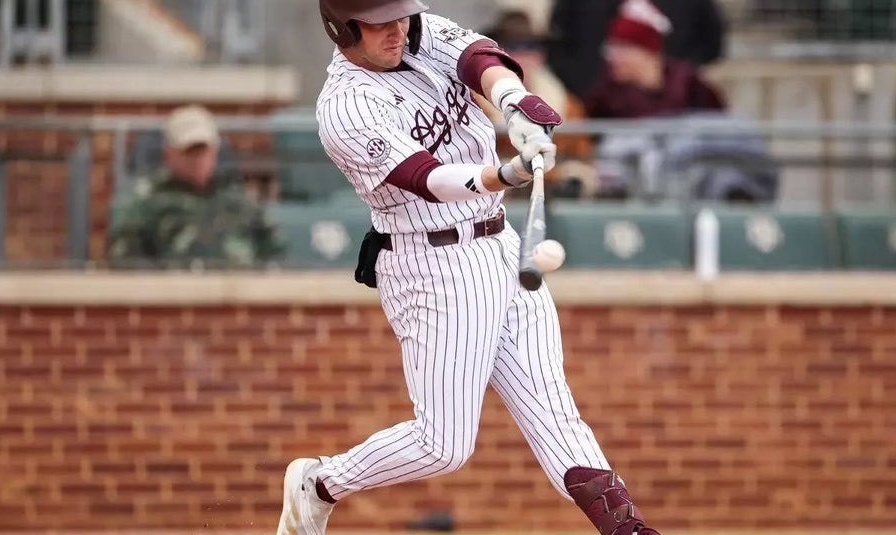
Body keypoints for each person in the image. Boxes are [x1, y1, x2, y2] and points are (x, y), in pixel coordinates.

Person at [276, 2, 663, 535]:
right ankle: (320, 483)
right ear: (343, 27)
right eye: (379, 21)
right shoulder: (344, 106)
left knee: (558, 419)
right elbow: (424, 178)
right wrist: (502, 172)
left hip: (499, 241)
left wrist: (515, 104)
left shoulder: (416, 32)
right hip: (432, 263)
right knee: (444, 445)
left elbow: (480, 57)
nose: (397, 29)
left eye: (401, 15)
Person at [107, 105, 285, 268]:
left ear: (215, 152)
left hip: (237, 295)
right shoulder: (144, 200)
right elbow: (125, 260)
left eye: (203, 151)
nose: (198, 160)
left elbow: (274, 253)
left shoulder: (240, 199)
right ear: (168, 153)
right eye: (189, 152)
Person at [583, 0, 725, 119]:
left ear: (648, 52)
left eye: (624, 49)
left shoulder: (689, 85)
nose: (615, 58)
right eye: (612, 49)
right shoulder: (606, 96)